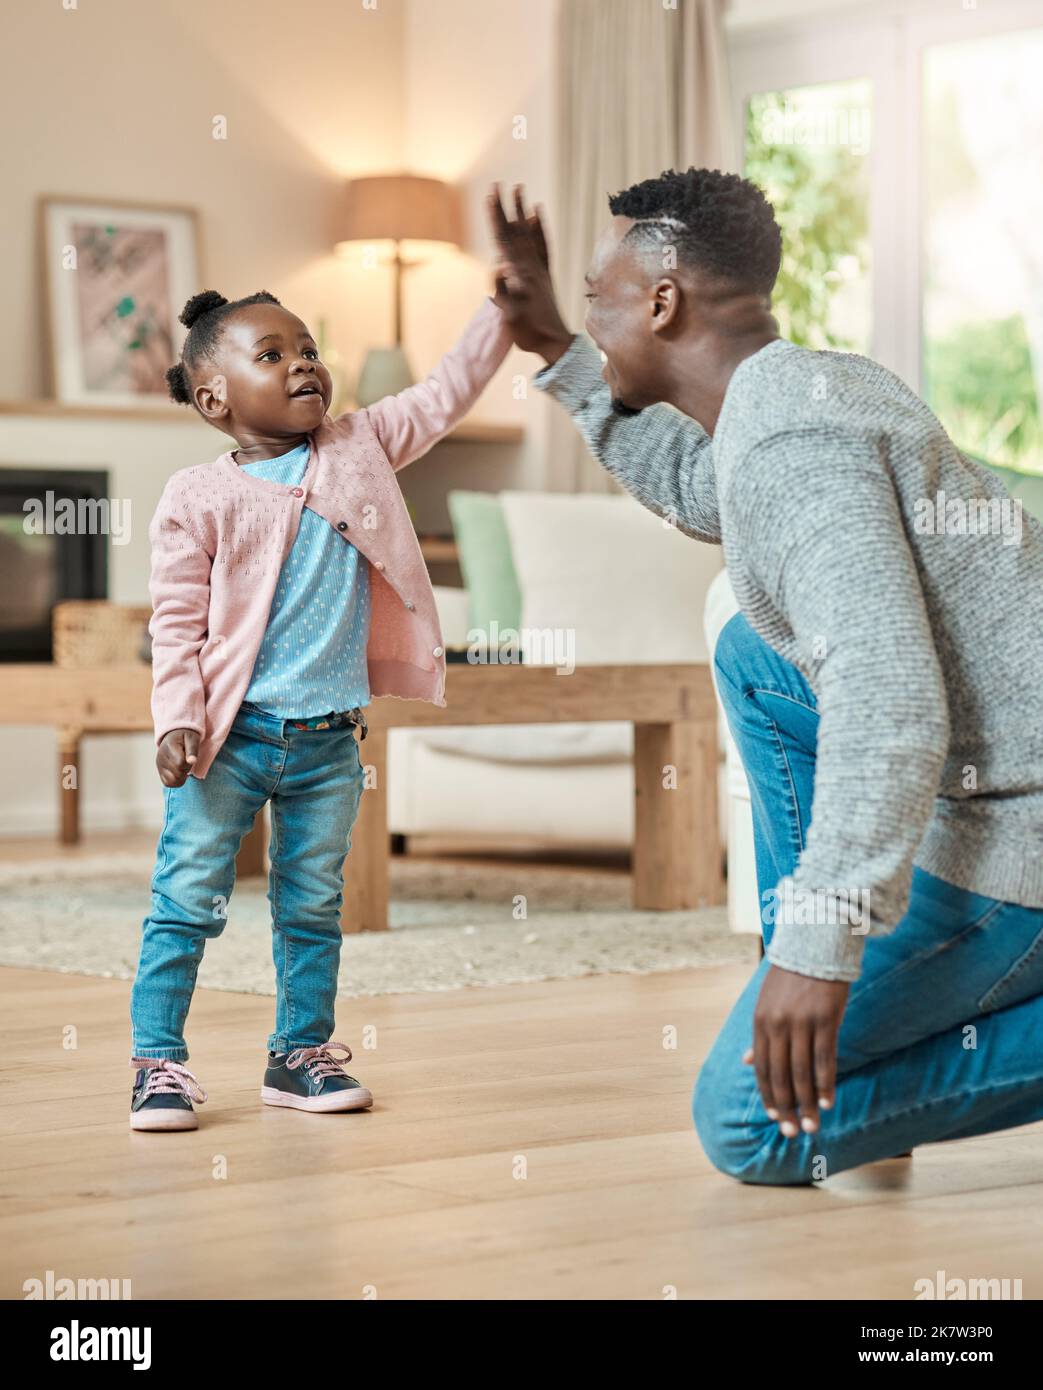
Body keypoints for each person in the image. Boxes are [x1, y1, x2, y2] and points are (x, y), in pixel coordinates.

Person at [487, 173, 1043, 1184]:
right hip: (1009, 768)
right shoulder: (806, 390)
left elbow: (886, 691)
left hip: (1024, 835)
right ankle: (832, 1004)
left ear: (661, 300)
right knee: (755, 648)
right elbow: (706, 491)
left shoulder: (790, 444)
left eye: (596, 296)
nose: (594, 319)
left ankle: (821, 1004)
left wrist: (819, 945)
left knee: (749, 1123)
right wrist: (552, 349)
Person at [129, 286, 512, 1130]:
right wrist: (176, 719)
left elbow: (444, 393)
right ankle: (157, 1064)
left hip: (329, 744)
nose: (301, 361)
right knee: (188, 899)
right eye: (270, 354)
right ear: (213, 398)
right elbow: (176, 623)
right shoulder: (197, 496)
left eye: (306, 347)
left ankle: (298, 1056)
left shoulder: (361, 445)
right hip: (227, 742)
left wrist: (499, 311)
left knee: (310, 904)